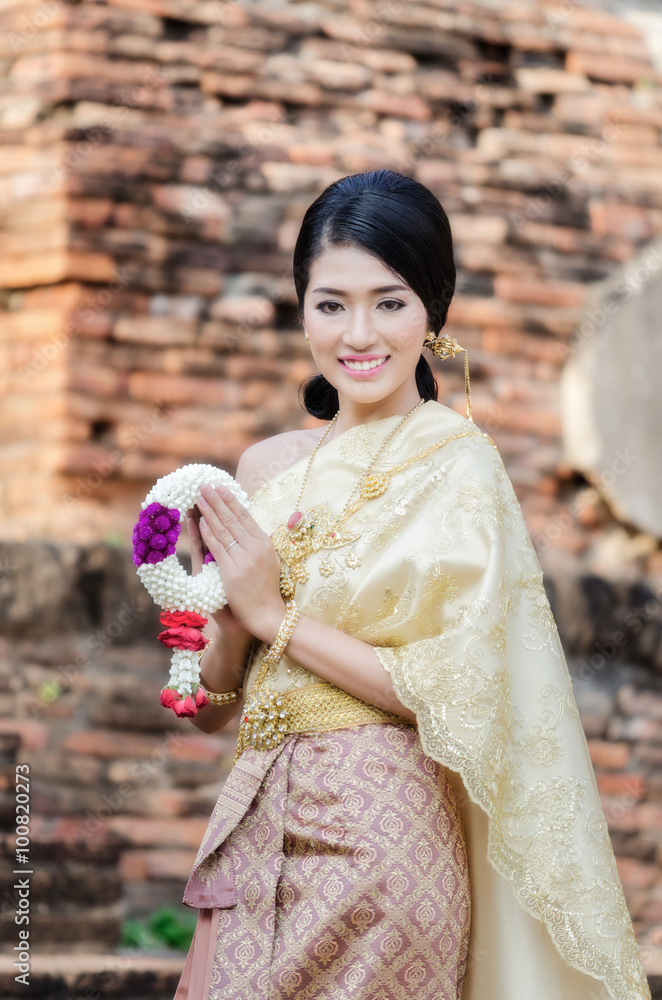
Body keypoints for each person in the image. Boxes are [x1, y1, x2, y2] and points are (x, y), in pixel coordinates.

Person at [173, 170, 650, 1000]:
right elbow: (210, 712)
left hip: (384, 845)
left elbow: (458, 687)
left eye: (389, 303)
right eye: (331, 304)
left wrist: (273, 613)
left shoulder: (457, 466)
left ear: (433, 310)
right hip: (253, 828)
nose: (359, 334)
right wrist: (228, 614)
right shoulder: (265, 467)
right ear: (302, 308)